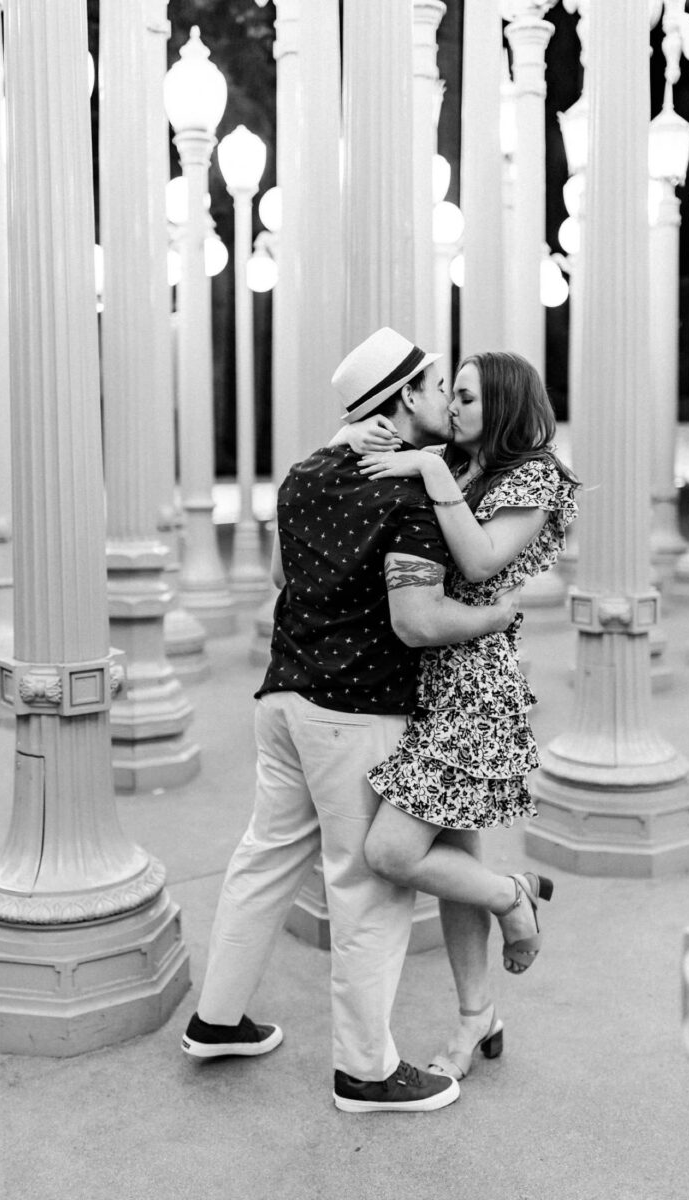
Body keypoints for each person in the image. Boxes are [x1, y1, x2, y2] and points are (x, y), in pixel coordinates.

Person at [180, 327, 527, 1114]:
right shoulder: (408, 495)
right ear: (403, 398)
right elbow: (416, 622)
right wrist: (495, 615)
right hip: (355, 711)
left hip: (282, 699)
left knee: (264, 858)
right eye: (434, 387)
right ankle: (366, 1072)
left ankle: (216, 1019)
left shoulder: (304, 474)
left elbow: (281, 575)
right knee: (366, 889)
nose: (444, 400)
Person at [343, 349, 578, 1081]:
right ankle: (479, 1015)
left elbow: (478, 564)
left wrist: (428, 468)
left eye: (467, 397)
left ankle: (514, 896)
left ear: (502, 404)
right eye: (453, 394)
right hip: (424, 675)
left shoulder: (534, 475)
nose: (452, 406)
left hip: (474, 686)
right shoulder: (454, 462)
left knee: (392, 852)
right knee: (454, 856)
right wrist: (366, 441)